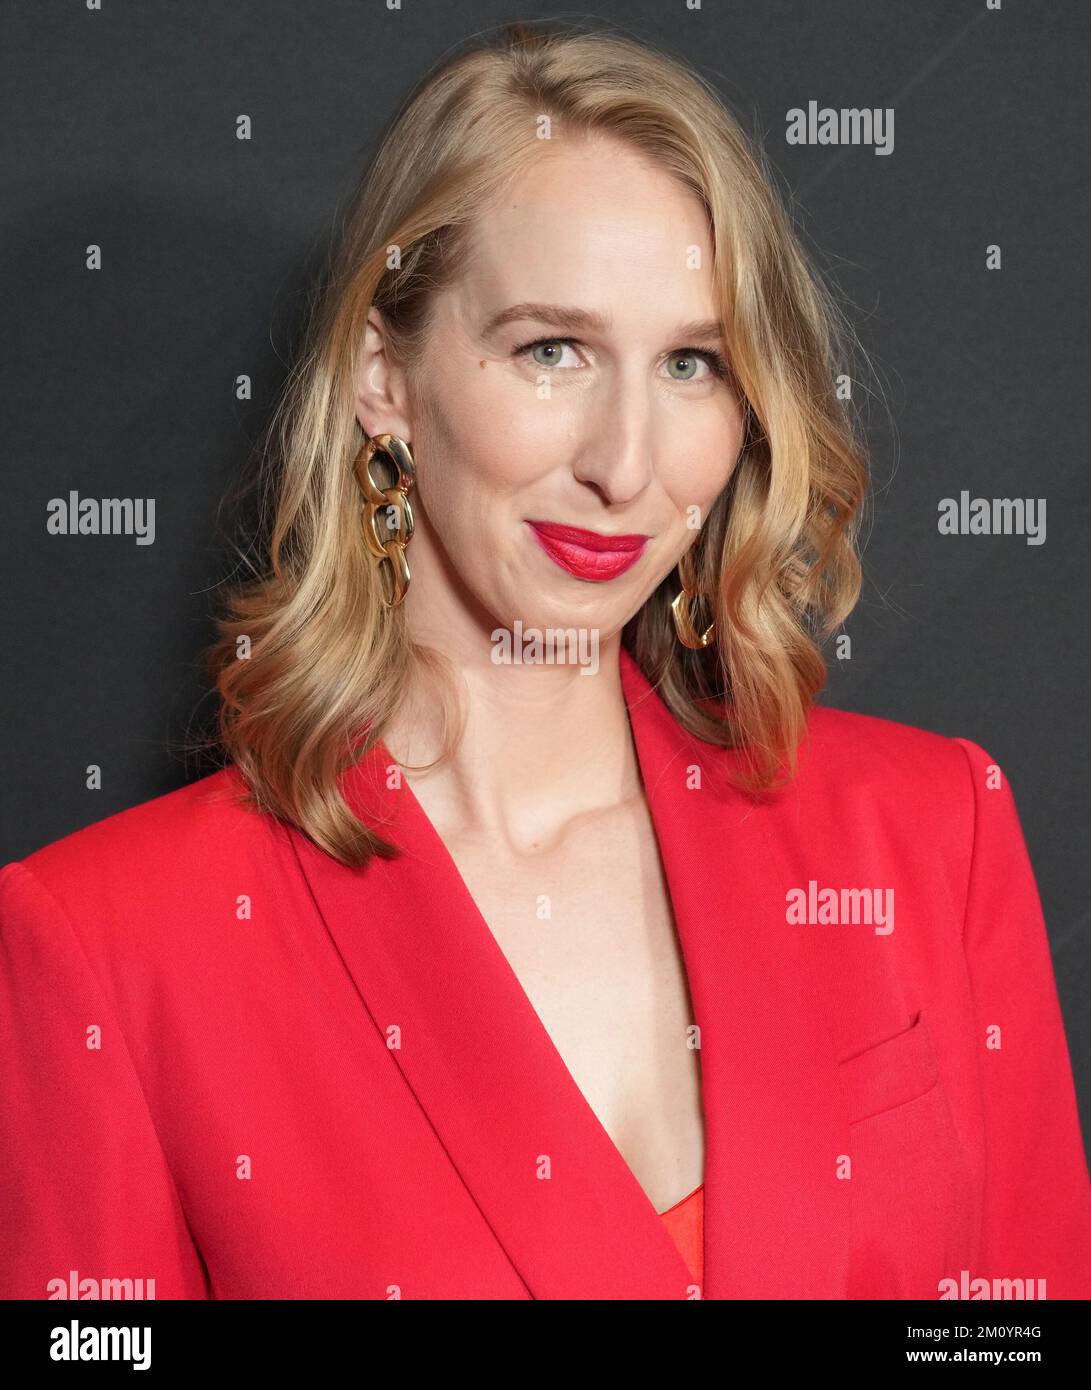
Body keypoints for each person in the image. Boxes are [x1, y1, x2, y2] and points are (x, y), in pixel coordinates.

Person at [2, 20, 1089, 1301]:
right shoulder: (112, 942)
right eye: (550, 351)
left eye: (691, 362)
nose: (624, 465)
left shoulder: (925, 834)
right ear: (383, 379)